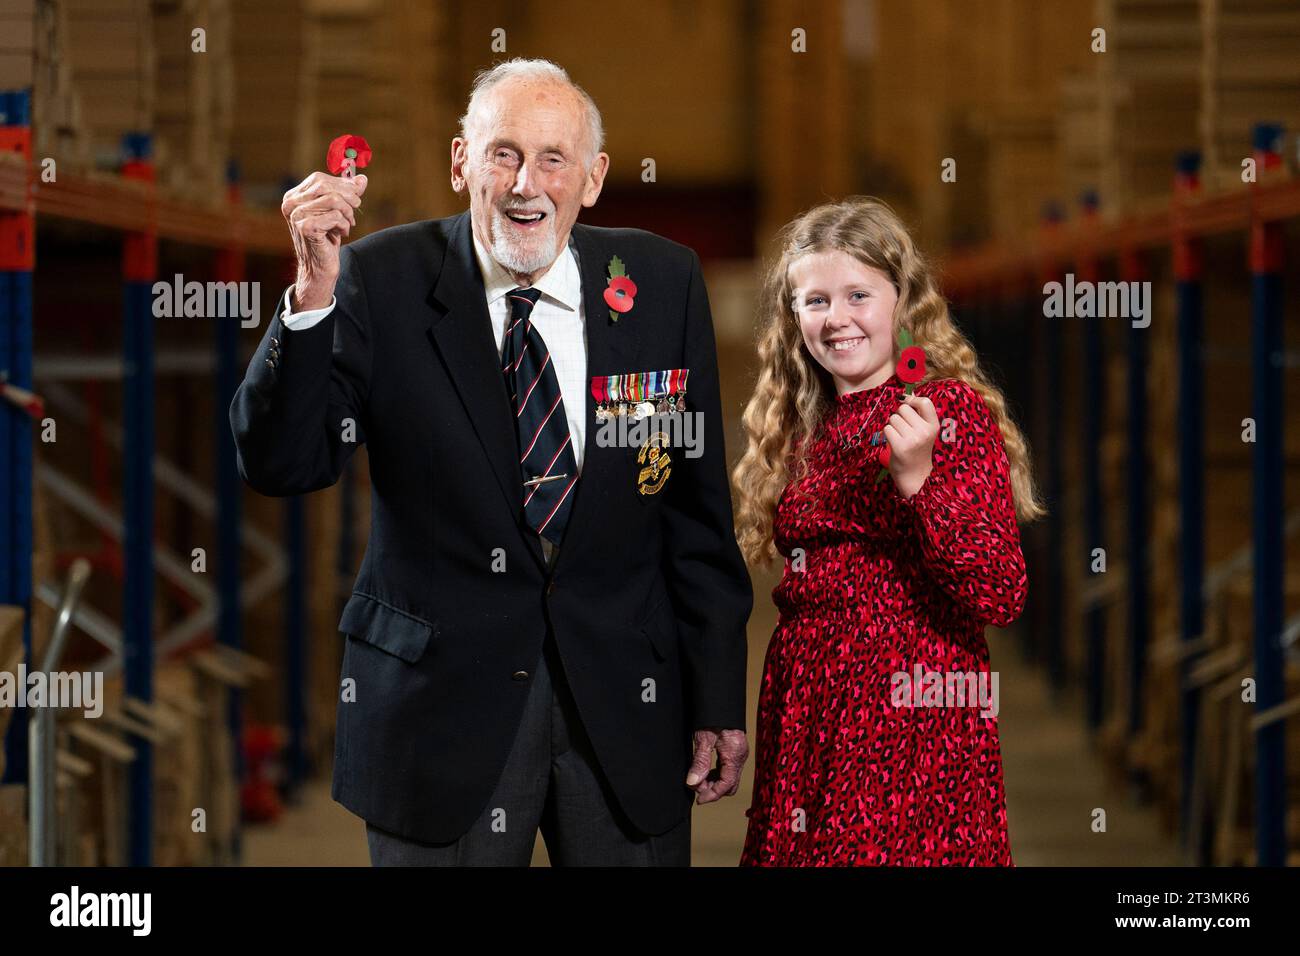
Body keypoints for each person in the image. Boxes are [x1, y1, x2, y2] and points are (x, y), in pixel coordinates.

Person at [229, 58, 752, 866]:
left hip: (624, 708)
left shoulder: (661, 281)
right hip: (438, 715)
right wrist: (309, 297)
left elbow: (695, 516)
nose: (525, 184)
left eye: (553, 159)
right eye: (503, 154)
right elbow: (282, 464)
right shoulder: (378, 279)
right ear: (461, 163)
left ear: (593, 178)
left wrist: (716, 696)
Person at [731, 197, 1044, 866]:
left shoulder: (944, 409)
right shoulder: (805, 425)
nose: (836, 318)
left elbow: (1000, 590)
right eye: (815, 301)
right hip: (810, 708)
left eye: (858, 295)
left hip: (909, 720)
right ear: (793, 315)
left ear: (901, 301)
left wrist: (920, 482)